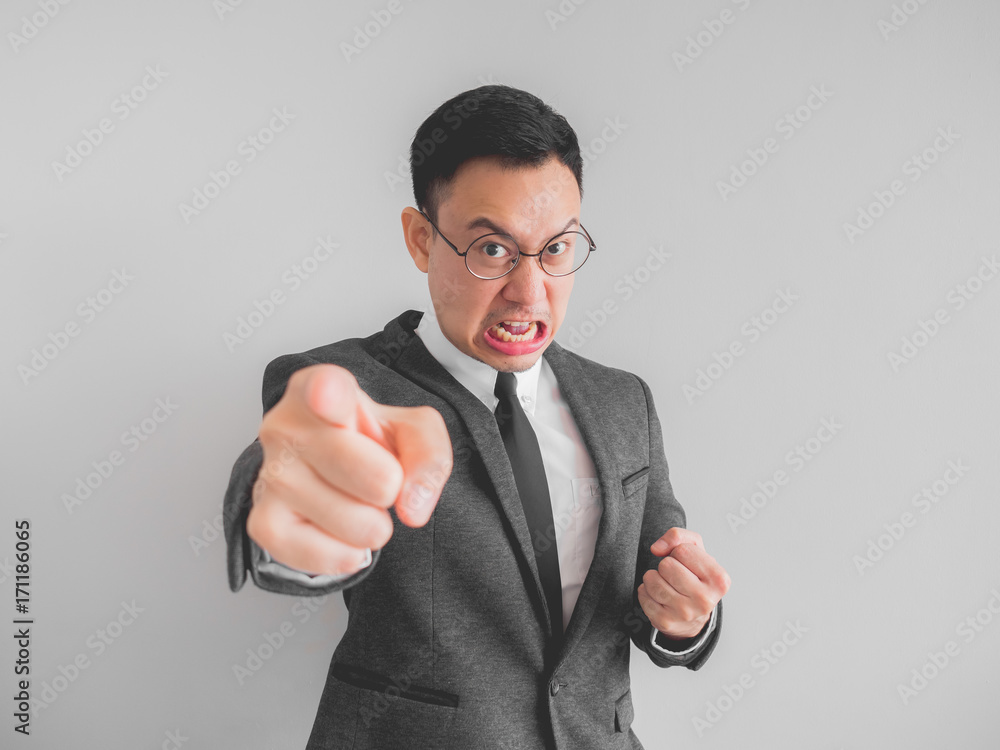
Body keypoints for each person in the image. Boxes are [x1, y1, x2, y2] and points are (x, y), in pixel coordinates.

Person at [223, 84, 730, 749]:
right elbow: (294, 470)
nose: (529, 292)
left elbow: (651, 589)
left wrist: (685, 619)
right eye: (492, 249)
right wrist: (286, 515)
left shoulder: (623, 401)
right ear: (421, 240)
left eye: (557, 249)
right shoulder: (345, 386)